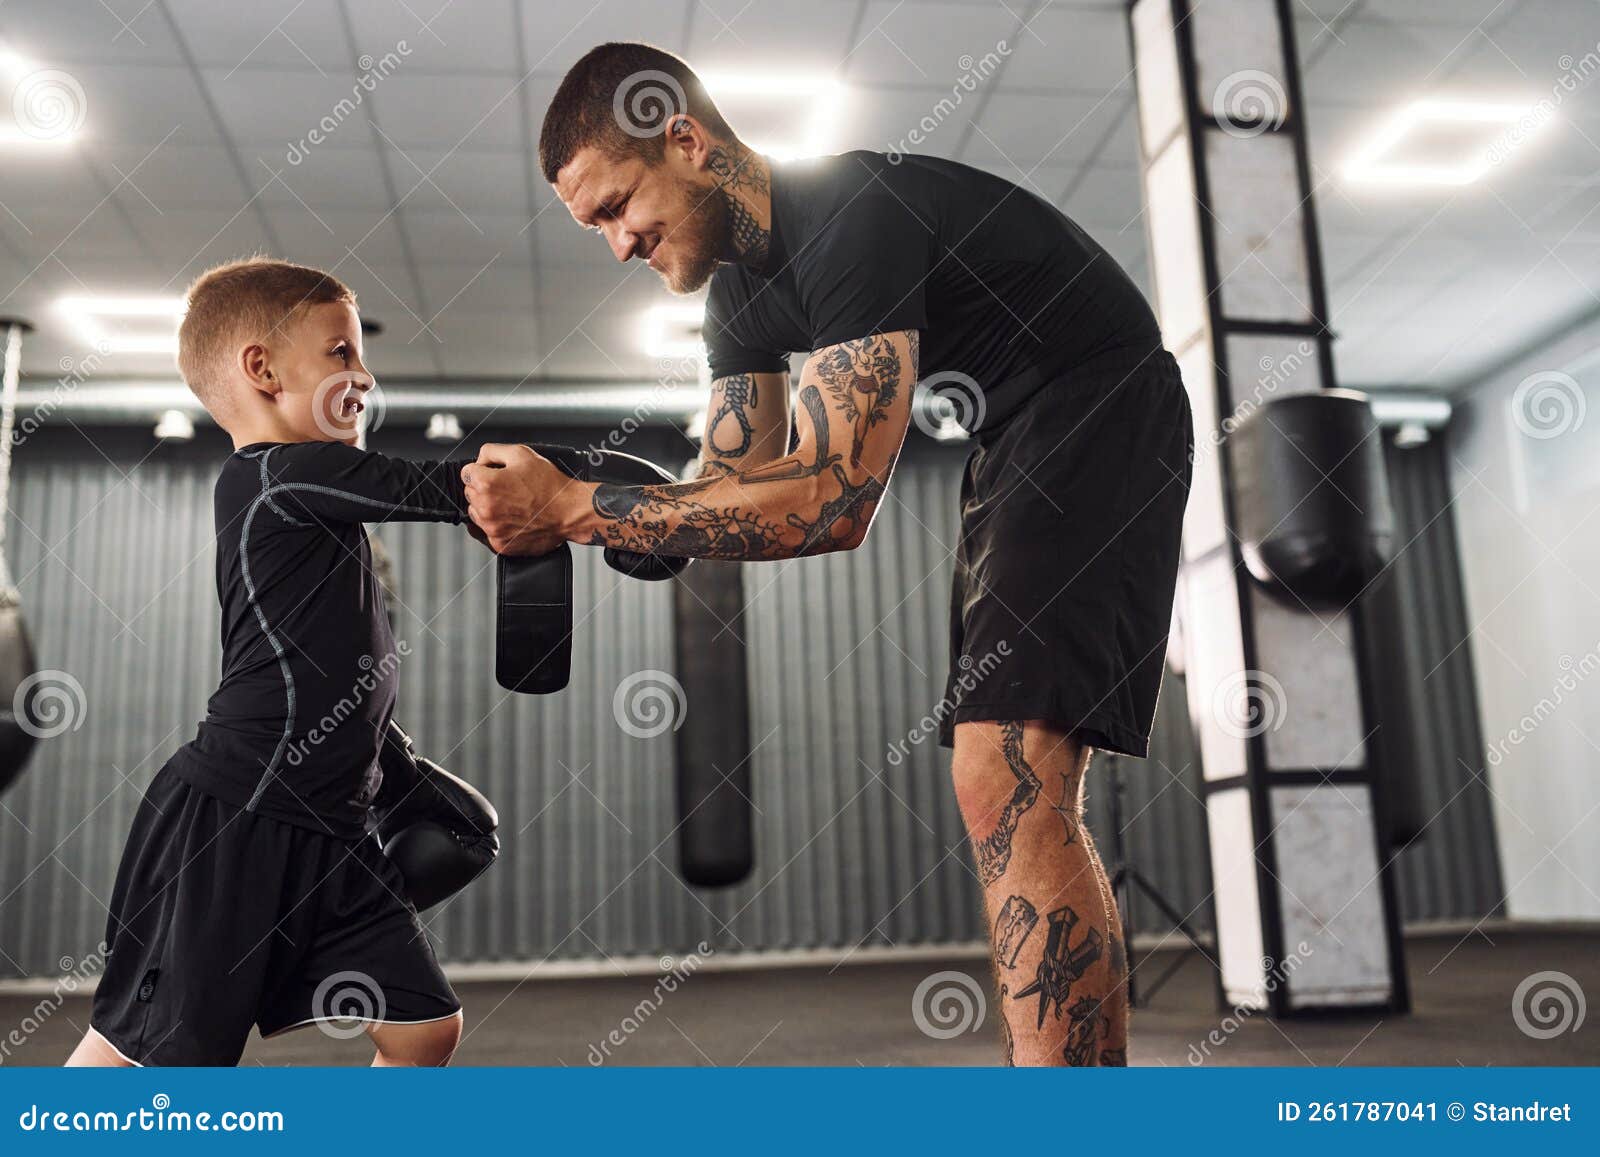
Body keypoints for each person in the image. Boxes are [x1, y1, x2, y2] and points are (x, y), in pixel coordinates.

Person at [463, 42, 1192, 1067]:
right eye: (596, 227)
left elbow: (828, 501)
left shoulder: (851, 214)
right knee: (993, 769)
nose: (618, 244)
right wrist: (604, 508)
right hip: (1010, 439)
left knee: (1008, 766)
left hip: (1099, 400)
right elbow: (737, 488)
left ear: (686, 141)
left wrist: (580, 508)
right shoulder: (736, 301)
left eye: (617, 206)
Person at [67, 258, 483, 1067]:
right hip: (236, 817)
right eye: (340, 352)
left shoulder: (317, 503)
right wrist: (602, 499)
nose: (364, 376)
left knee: (423, 1028)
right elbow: (448, 489)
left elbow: (332, 666)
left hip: (333, 822)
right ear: (261, 368)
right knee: (153, 1057)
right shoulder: (273, 477)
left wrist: (387, 761)